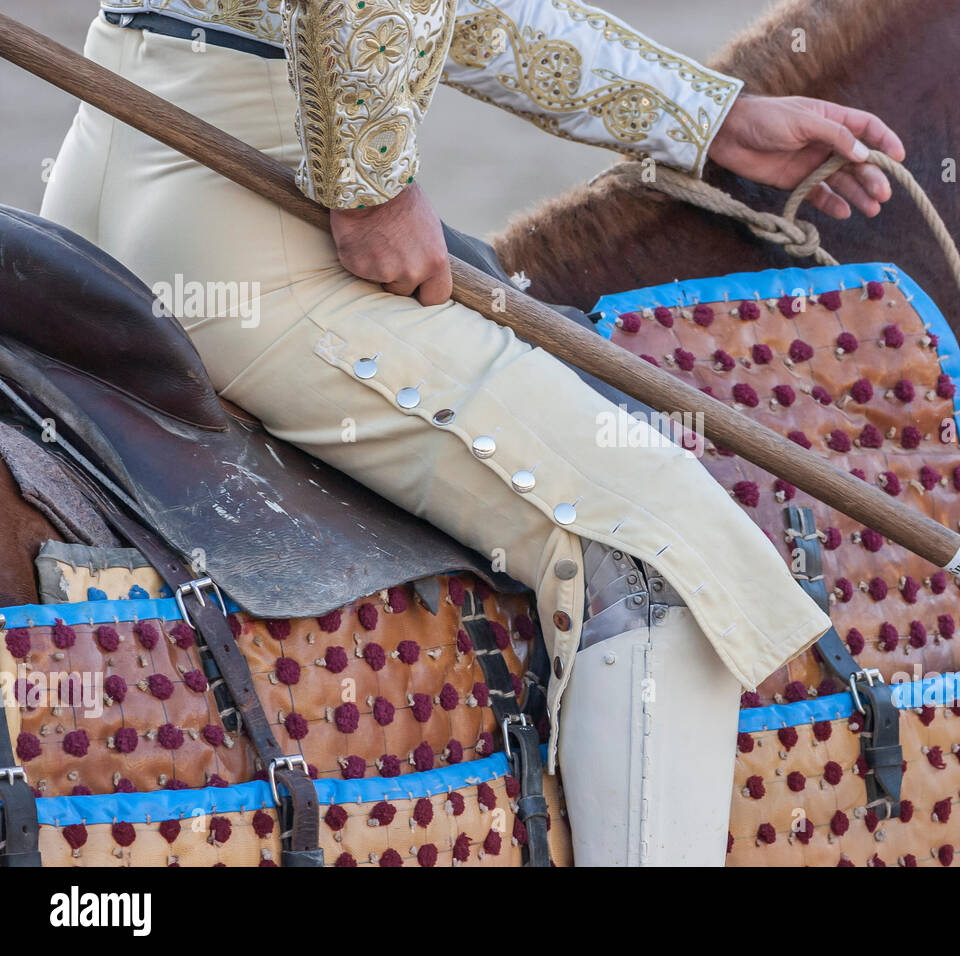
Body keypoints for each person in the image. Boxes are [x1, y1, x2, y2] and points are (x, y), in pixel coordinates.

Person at [42, 0, 905, 866]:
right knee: (658, 566)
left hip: (103, 182)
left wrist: (704, 115)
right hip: (249, 227)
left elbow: (463, 12)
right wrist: (373, 189)